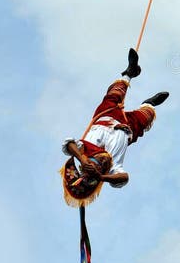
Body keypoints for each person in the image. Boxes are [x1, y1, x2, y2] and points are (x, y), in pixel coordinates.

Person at [61, 48, 169, 207]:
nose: (94, 167)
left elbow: (68, 144)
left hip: (106, 115)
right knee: (145, 116)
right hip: (127, 128)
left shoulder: (85, 149)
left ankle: (129, 73)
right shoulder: (112, 168)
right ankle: (149, 103)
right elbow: (124, 178)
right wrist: (101, 177)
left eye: (87, 171)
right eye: (92, 174)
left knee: (114, 94)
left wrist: (83, 160)